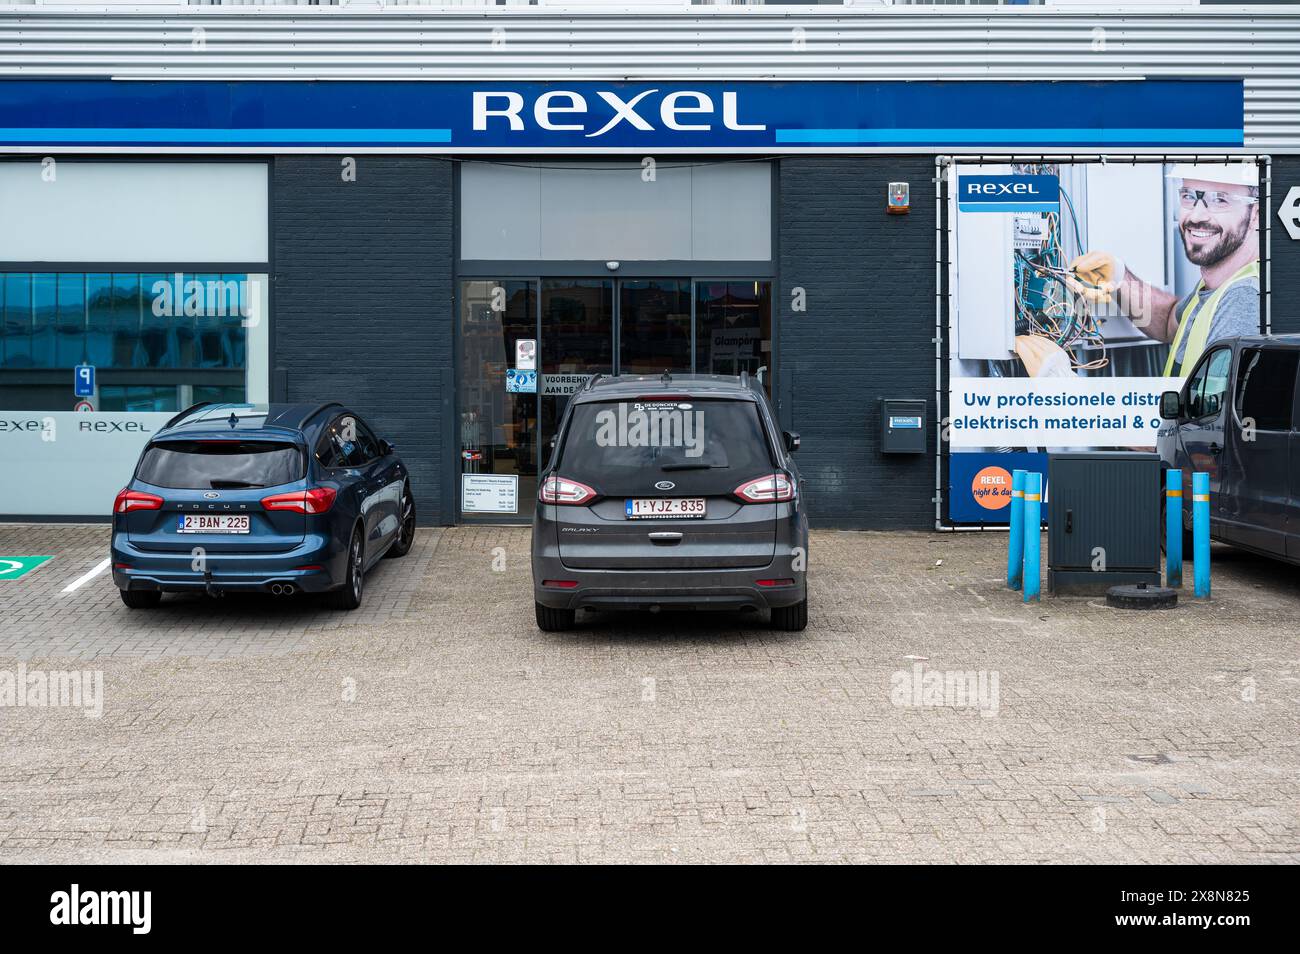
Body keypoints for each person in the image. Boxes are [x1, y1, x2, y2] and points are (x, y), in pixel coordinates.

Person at [1015, 164, 1260, 378]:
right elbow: (1168, 325)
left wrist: (1057, 380)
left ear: (1256, 215)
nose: (1196, 214)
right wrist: (1119, 279)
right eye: (1188, 196)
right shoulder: (1217, 286)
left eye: (1220, 200)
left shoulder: (1243, 296)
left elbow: (1216, 418)